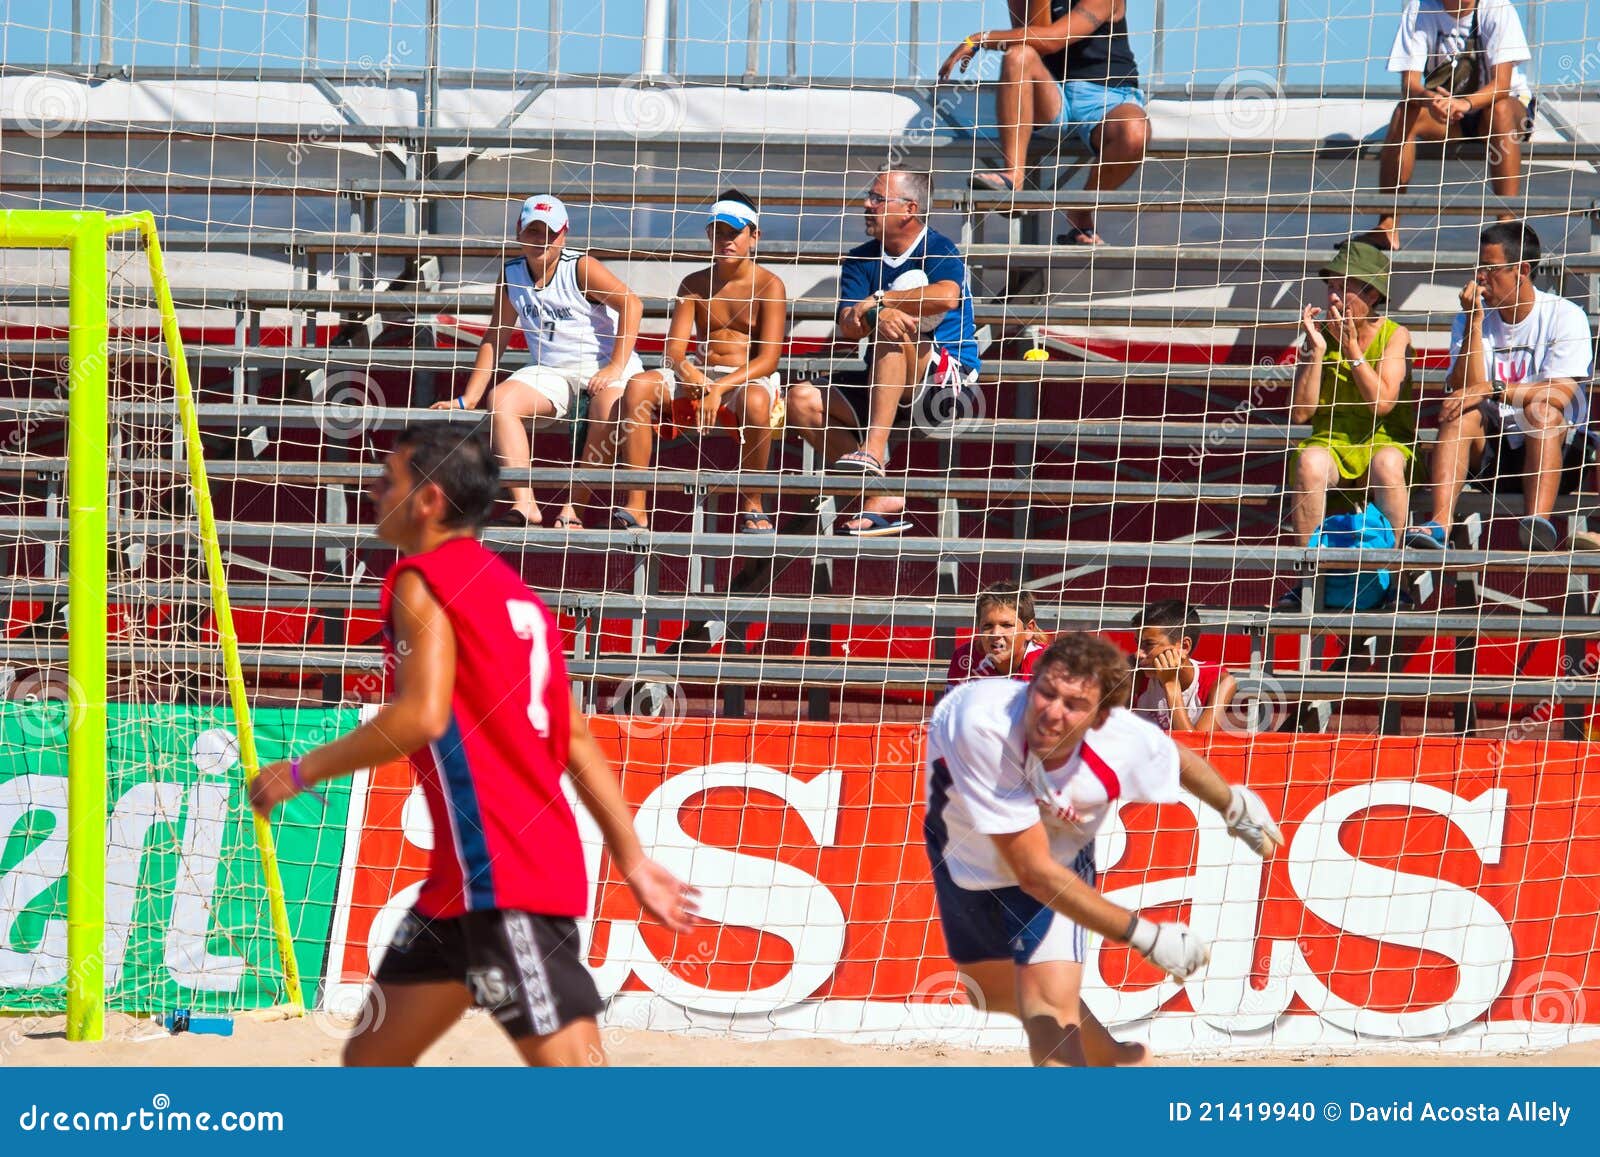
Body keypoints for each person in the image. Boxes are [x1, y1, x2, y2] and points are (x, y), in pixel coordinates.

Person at [249, 426, 697, 1066]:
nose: (374, 492)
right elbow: (573, 736)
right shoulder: (519, 598)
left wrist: (300, 769)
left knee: (575, 1080)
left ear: (428, 501)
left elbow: (420, 716)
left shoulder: (421, 578)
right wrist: (631, 859)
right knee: (368, 1065)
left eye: (388, 481)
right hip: (457, 891)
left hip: (507, 877)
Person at [924, 633, 1283, 1067]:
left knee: (1046, 999)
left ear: (1101, 719)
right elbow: (1033, 872)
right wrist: (1146, 937)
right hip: (965, 834)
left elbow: (1179, 758)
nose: (1052, 712)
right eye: (1046, 693)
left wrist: (1234, 805)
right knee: (993, 989)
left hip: (1057, 836)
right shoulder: (982, 723)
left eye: (1073, 705)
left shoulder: (1122, 738)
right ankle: (1111, 1055)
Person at [784, 167, 980, 537]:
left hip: (944, 385)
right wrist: (875, 313)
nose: (866, 204)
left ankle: (873, 451)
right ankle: (878, 495)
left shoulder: (938, 247)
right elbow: (848, 323)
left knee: (892, 326)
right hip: (886, 377)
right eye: (869, 196)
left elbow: (947, 295)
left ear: (909, 208)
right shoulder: (861, 258)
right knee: (801, 398)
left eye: (876, 198)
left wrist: (881, 303)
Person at [432, 194, 646, 530]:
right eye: (532, 231)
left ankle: (575, 507)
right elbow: (496, 334)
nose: (540, 239)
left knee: (607, 407)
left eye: (548, 232)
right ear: (519, 231)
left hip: (604, 364)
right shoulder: (512, 272)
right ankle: (525, 504)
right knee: (500, 400)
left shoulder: (580, 266)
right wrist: (469, 397)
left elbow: (632, 303)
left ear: (563, 234)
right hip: (552, 371)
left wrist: (616, 367)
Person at [1407, 222, 1593, 552]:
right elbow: (1464, 387)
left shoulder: (1565, 315)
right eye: (1479, 267)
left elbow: (1560, 394)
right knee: (1458, 413)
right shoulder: (1469, 318)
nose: (1480, 277)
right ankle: (1439, 525)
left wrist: (1494, 388)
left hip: (1557, 455)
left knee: (1542, 413)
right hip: (1492, 456)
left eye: (1490, 268)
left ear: (1521, 270)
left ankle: (1538, 523)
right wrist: (1475, 324)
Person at [610, 190, 788, 533]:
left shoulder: (770, 285)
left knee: (755, 401)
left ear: (755, 236)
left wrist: (719, 387)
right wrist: (689, 372)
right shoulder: (693, 283)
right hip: (701, 372)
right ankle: (636, 504)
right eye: (718, 232)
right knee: (639, 386)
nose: (726, 240)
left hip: (743, 380)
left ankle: (753, 502)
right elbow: (674, 351)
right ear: (708, 235)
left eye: (734, 232)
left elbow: (768, 359)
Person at [939, 0, 1149, 245]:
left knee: (1134, 131)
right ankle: (1013, 178)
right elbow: (1032, 36)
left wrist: (979, 39)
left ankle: (1082, 209)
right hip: (1052, 93)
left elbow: (1052, 40)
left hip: (1107, 97)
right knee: (1018, 55)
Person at [1369, 0, 1535, 252]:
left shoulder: (1497, 7)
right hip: (1449, 112)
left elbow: (1502, 85)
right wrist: (1432, 99)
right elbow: (1410, 85)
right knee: (1405, 111)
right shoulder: (1419, 7)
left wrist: (1465, 104)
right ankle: (1388, 224)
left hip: (1503, 112)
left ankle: (1506, 224)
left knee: (1498, 108)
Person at [1286, 241, 1417, 556]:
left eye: (1344, 287)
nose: (1333, 295)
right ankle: (1308, 575)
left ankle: (1390, 577)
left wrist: (1352, 349)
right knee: (1309, 462)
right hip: (1332, 440)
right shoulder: (1322, 334)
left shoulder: (1395, 335)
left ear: (1372, 295)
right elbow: (1301, 413)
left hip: (1384, 440)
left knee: (1386, 463)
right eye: (1331, 286)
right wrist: (1315, 351)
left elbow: (1382, 403)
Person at [1131, 600, 1237, 733]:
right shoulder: (1134, 671)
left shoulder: (1220, 681)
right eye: (1138, 643)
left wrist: (1171, 684)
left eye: (1149, 644)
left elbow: (1196, 748)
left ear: (1184, 647)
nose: (1138, 654)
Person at [945, 585, 1050, 692]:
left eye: (1006, 625)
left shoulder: (1048, 663)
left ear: (1028, 629)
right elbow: (953, 707)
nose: (995, 634)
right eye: (988, 626)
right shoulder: (965, 657)